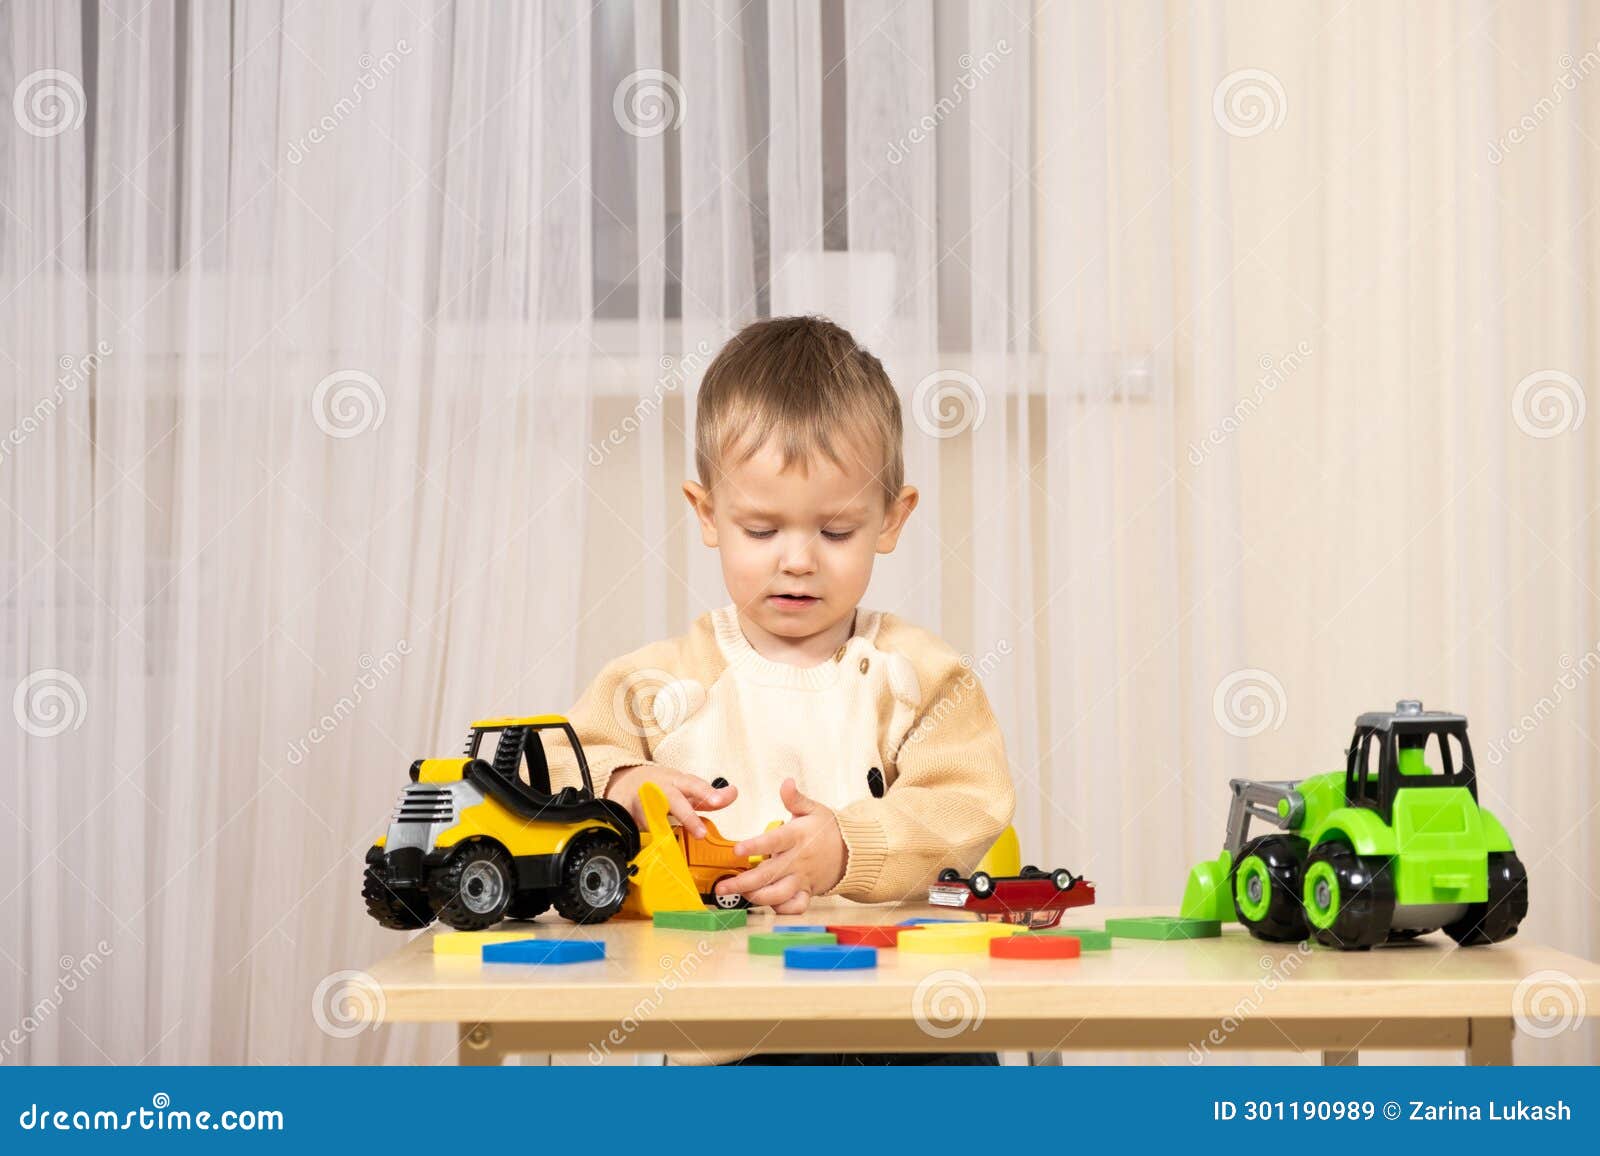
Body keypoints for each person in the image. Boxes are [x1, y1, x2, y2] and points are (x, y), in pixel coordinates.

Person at [555, 315, 1015, 1065]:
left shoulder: (919, 674)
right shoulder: (662, 680)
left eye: (835, 532)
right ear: (708, 515)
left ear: (891, 520)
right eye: (762, 530)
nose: (797, 561)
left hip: (909, 1020)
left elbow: (968, 806)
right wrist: (624, 781)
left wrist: (848, 850)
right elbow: (549, 760)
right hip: (726, 1029)